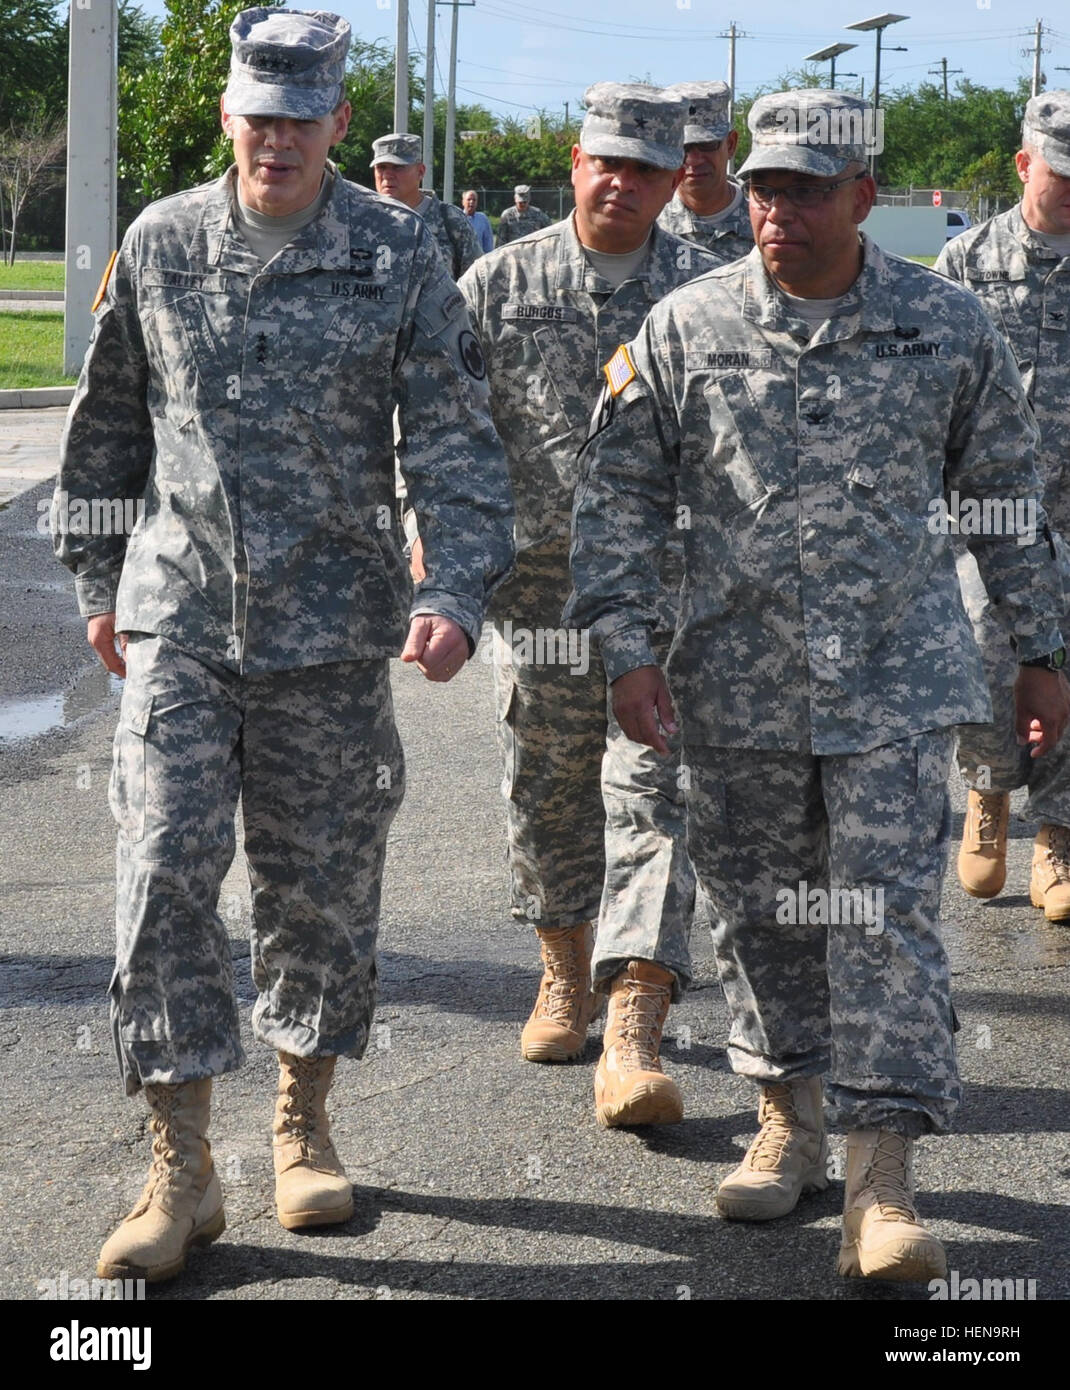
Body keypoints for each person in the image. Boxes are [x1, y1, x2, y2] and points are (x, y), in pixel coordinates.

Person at [566, 88, 1069, 1281]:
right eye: (761, 187)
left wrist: (1039, 652)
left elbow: (1007, 502)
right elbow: (619, 500)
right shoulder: (684, 328)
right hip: (729, 690)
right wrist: (625, 650)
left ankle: (880, 1184)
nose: (774, 210)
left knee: (887, 923)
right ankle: (785, 1118)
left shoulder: (947, 328)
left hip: (895, 688)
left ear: (865, 197)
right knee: (761, 917)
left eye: (803, 189)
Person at [52, 7, 513, 1284]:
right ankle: (179, 1161)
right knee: (160, 872)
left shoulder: (397, 252)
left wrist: (458, 585)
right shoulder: (160, 243)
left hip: (332, 630)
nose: (277, 138)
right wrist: (100, 574)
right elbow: (107, 429)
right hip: (181, 622)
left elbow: (457, 440)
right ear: (226, 117)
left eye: (301, 117)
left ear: (337, 125)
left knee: (318, 894)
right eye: (258, 114)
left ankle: (302, 1123)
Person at [460, 84, 721, 1129]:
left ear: (673, 180)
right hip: (537, 599)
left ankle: (634, 1022)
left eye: (644, 169)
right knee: (546, 790)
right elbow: (439, 427)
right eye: (603, 162)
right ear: (574, 163)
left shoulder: (707, 294)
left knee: (656, 793)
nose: (620, 183)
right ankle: (563, 971)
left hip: (661, 604)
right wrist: (437, 549)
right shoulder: (496, 283)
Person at [935, 92, 1070, 920]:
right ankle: (987, 793)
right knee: (989, 657)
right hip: (987, 520)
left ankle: (1058, 832)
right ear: (1025, 164)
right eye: (1063, 174)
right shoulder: (967, 265)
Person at [656, 81, 753, 264]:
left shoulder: (766, 223)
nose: (694, 160)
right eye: (683, 147)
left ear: (730, 144)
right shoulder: (648, 224)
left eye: (707, 145)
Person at [371, 132, 482, 279]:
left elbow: (477, 284)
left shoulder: (451, 221)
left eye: (398, 167)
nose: (387, 175)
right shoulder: (364, 219)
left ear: (420, 172)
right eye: (381, 167)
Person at [462, 188, 494, 254]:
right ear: (463, 202)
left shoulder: (482, 218)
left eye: (474, 200)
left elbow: (488, 242)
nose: (471, 202)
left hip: (479, 260)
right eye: (469, 199)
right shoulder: (457, 218)